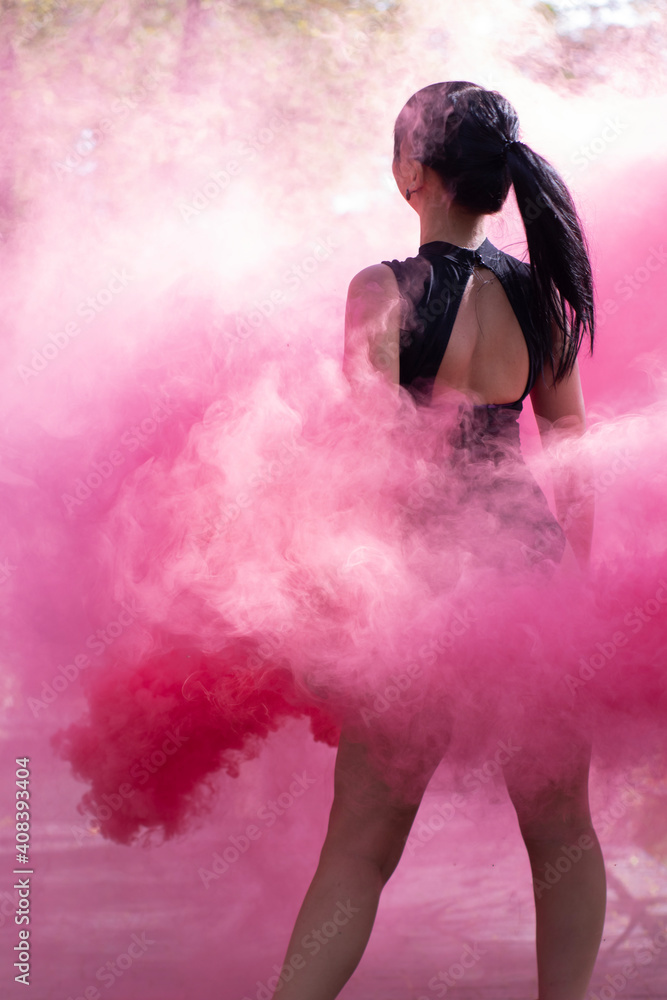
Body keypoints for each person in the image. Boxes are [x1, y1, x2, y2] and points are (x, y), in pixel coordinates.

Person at [270, 80, 606, 1000]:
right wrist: (568, 595)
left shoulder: (380, 288)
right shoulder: (539, 297)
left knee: (362, 847)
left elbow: (365, 452)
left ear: (410, 174)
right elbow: (573, 453)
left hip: (418, 583)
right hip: (527, 572)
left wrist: (331, 600)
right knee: (561, 833)